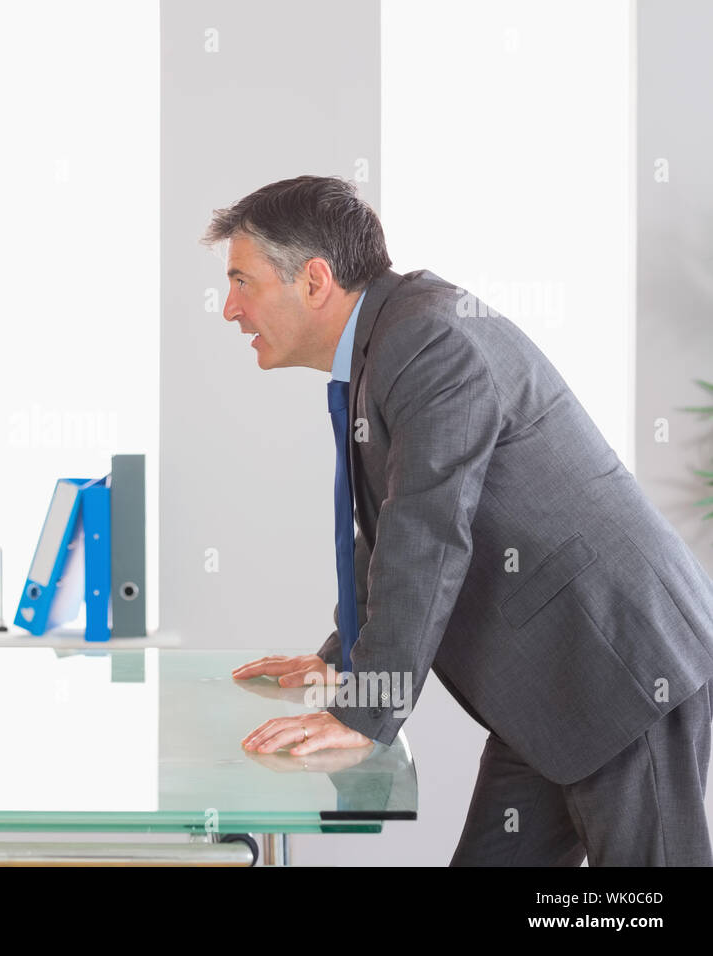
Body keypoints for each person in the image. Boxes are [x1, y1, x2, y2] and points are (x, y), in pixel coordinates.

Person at [210, 175, 713, 865]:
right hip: (548, 684)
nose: (230, 308)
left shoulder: (428, 339)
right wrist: (343, 660)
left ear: (316, 279)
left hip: (618, 663)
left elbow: (427, 534)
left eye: (242, 281)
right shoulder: (388, 341)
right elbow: (394, 525)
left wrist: (367, 713)